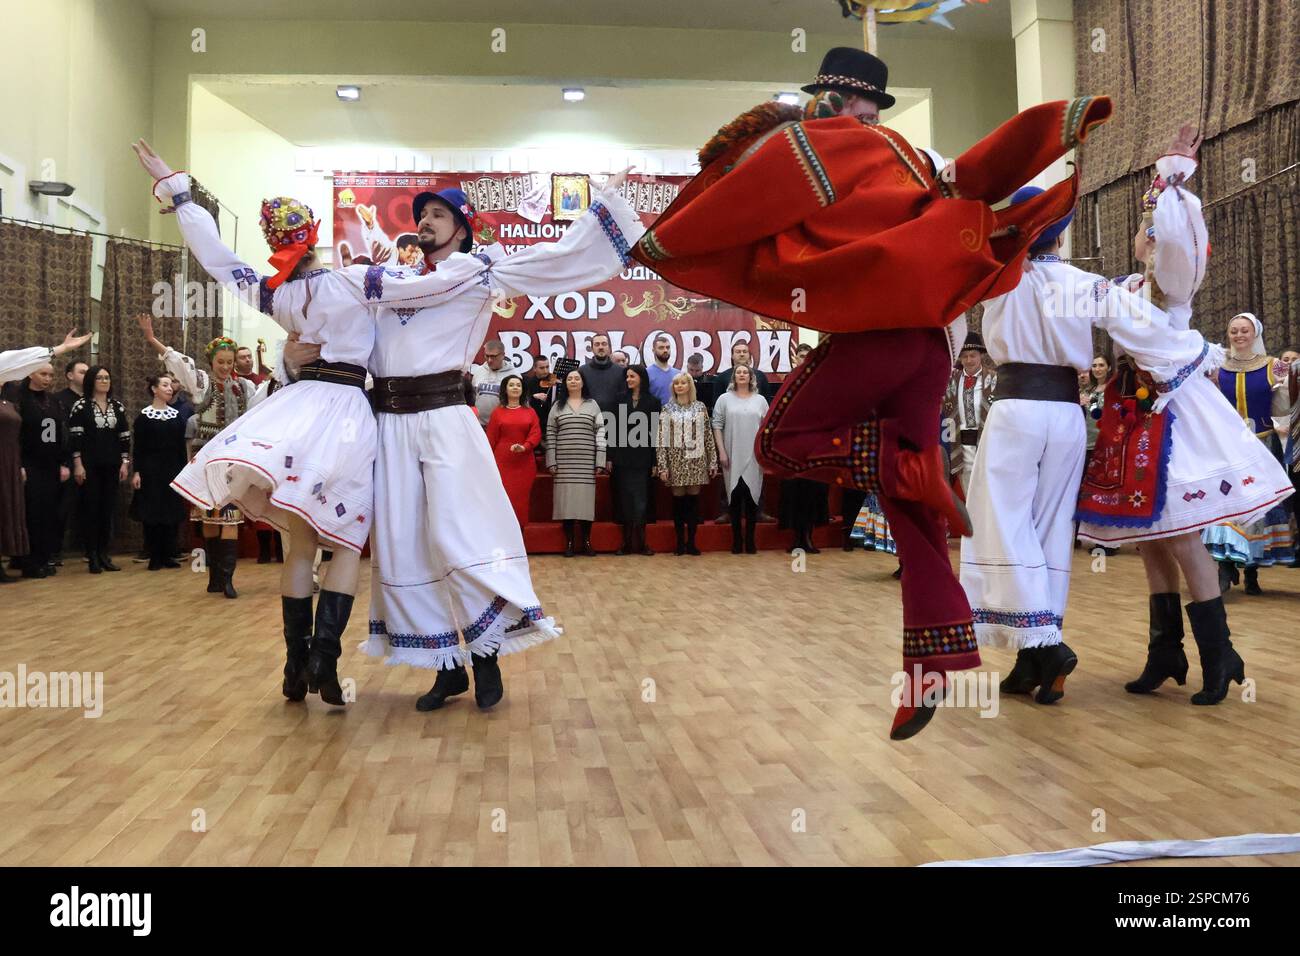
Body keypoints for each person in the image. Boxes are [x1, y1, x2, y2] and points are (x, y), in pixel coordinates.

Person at [631, 44, 1116, 738]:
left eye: (831, 101)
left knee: (780, 440)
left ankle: (905, 469)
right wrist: (1061, 125)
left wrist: (656, 244)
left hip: (879, 339)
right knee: (914, 516)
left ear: (841, 103)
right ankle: (930, 667)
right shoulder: (919, 163)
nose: (827, 113)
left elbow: (741, 198)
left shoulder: (829, 147)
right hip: (929, 349)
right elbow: (981, 171)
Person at [340, 171, 643, 713]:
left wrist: (606, 207)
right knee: (406, 542)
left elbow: (557, 260)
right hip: (391, 423)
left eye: (437, 215)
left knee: (464, 535)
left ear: (461, 228)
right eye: (421, 216)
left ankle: (486, 657)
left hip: (444, 419)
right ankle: (446, 668)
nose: (425, 223)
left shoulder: (479, 273)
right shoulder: (391, 283)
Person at [1075, 127, 1293, 705]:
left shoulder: (1170, 289)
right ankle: (1164, 651)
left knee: (1183, 536)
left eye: (1151, 228)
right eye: (1143, 227)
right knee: (1149, 539)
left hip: (1170, 418)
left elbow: (1173, 243)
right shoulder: (1128, 285)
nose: (1144, 236)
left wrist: (1171, 185)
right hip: (1133, 417)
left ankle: (1220, 656)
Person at [1201, 313, 1296, 592]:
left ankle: (1252, 570)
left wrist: (1285, 435)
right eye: (1234, 331)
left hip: (1262, 445)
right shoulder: (1218, 366)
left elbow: (1283, 408)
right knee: (1227, 502)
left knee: (1258, 507)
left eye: (1244, 331)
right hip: (1227, 446)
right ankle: (1225, 566)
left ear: (1255, 334)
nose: (1239, 335)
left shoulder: (1274, 366)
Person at [0, 333, 91, 582]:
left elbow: (62, 434)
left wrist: (64, 462)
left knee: (46, 513)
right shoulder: (18, 398)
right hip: (25, 463)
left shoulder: (53, 402)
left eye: (51, 375)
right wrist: (60, 348)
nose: (48, 379)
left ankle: (42, 557)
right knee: (30, 512)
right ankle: (28, 560)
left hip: (46, 464)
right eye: (43, 373)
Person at [68, 366, 130, 573]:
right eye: (100, 378)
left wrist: (125, 462)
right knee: (91, 511)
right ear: (91, 381)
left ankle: (104, 554)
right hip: (89, 466)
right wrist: (78, 464)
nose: (104, 381)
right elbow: (75, 438)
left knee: (107, 511)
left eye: (107, 377)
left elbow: (124, 437)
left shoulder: (117, 406)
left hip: (112, 465)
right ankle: (92, 555)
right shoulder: (80, 406)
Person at [130, 374, 188, 570]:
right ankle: (154, 556)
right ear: (154, 389)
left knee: (171, 512)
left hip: (172, 469)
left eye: (171, 385)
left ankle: (168, 554)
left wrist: (184, 470)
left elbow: (181, 447)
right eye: (165, 385)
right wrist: (136, 471)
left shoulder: (176, 416)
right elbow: (138, 447)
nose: (170, 388)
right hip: (151, 471)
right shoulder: (144, 417)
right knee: (153, 513)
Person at [546, 369, 606, 557]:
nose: (573, 381)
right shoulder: (557, 405)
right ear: (565, 383)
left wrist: (600, 460)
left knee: (585, 504)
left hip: (586, 463)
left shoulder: (593, 404)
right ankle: (570, 543)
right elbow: (550, 433)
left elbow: (600, 433)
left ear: (582, 382)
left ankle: (587, 542)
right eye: (570, 379)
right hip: (564, 463)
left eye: (577, 378)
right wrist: (551, 460)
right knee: (567, 503)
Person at [657, 372, 718, 555]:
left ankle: (691, 542)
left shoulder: (700, 407)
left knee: (693, 504)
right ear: (673, 387)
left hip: (696, 460)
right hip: (675, 461)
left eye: (684, 383)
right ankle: (679, 544)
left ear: (690, 386)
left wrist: (712, 461)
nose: (680, 386)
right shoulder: (667, 409)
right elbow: (661, 439)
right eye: (677, 383)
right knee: (678, 504)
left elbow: (708, 436)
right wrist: (662, 465)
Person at [713, 364, 769, 553]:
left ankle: (751, 541)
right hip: (731, 454)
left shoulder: (760, 400)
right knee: (735, 500)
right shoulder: (724, 399)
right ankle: (736, 541)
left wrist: (764, 452)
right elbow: (717, 425)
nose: (742, 375)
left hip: (754, 456)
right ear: (734, 377)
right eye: (739, 372)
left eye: (746, 372)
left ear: (751, 377)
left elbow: (766, 429)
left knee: (752, 500)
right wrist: (721, 451)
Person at [608, 364, 660, 555]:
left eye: (632, 376)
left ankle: (642, 542)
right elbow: (612, 431)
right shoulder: (619, 400)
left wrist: (655, 461)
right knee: (624, 500)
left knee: (641, 501)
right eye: (627, 377)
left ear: (641, 378)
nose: (629, 379)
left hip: (644, 459)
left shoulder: (653, 402)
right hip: (623, 458)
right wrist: (610, 457)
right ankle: (627, 543)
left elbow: (655, 433)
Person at [941, 332, 995, 500]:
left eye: (973, 355)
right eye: (964, 356)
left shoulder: (994, 379)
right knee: (968, 492)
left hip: (987, 443)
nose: (969, 360)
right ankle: (974, 525)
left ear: (981, 355)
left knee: (988, 491)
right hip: (960, 444)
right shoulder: (950, 380)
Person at [486, 373, 542, 528]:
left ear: (523, 389)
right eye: (511, 385)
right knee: (503, 499)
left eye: (518, 385)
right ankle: (504, 536)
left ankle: (521, 538)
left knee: (521, 499)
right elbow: (491, 439)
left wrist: (525, 446)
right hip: (502, 462)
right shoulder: (497, 413)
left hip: (524, 463)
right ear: (505, 390)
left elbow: (536, 433)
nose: (515, 387)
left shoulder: (530, 412)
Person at [579, 332, 626, 413]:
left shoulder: (621, 372)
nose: (601, 347)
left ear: (609, 348)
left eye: (604, 344)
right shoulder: (581, 371)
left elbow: (624, 401)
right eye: (597, 344)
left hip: (614, 421)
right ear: (592, 348)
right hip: (589, 420)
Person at [470, 340, 509, 426]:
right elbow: (472, 397)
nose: (489, 360)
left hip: (501, 426)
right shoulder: (479, 371)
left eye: (493, 356)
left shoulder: (513, 374)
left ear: (503, 355)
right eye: (487, 356)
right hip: (478, 425)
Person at [646, 333, 681, 405]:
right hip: (654, 414)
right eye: (661, 348)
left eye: (667, 347)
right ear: (653, 350)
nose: (665, 350)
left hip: (675, 415)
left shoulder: (678, 374)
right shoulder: (646, 373)